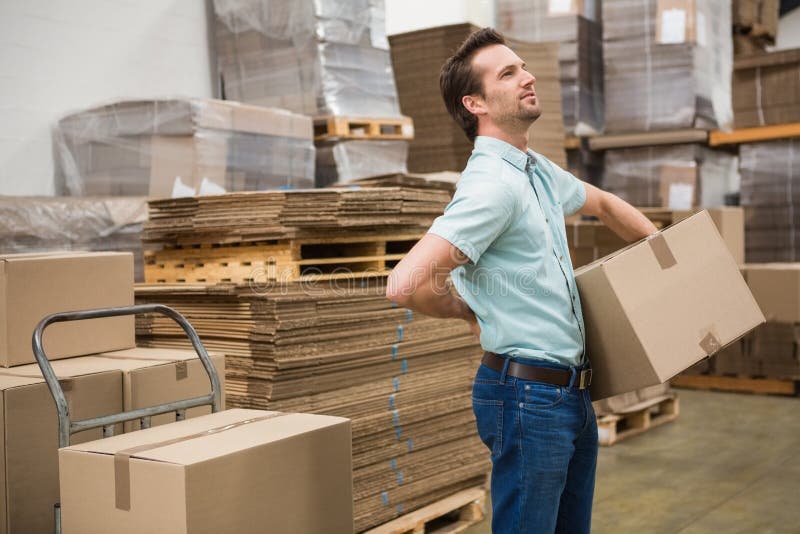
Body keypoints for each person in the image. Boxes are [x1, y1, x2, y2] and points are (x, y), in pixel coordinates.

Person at [386, 28, 658, 533]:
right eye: (507, 74)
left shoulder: (534, 170)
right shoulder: (492, 187)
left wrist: (665, 250)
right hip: (528, 399)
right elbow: (404, 284)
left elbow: (600, 203)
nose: (527, 77)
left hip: (570, 395)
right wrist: (467, 310)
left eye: (523, 66)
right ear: (476, 103)